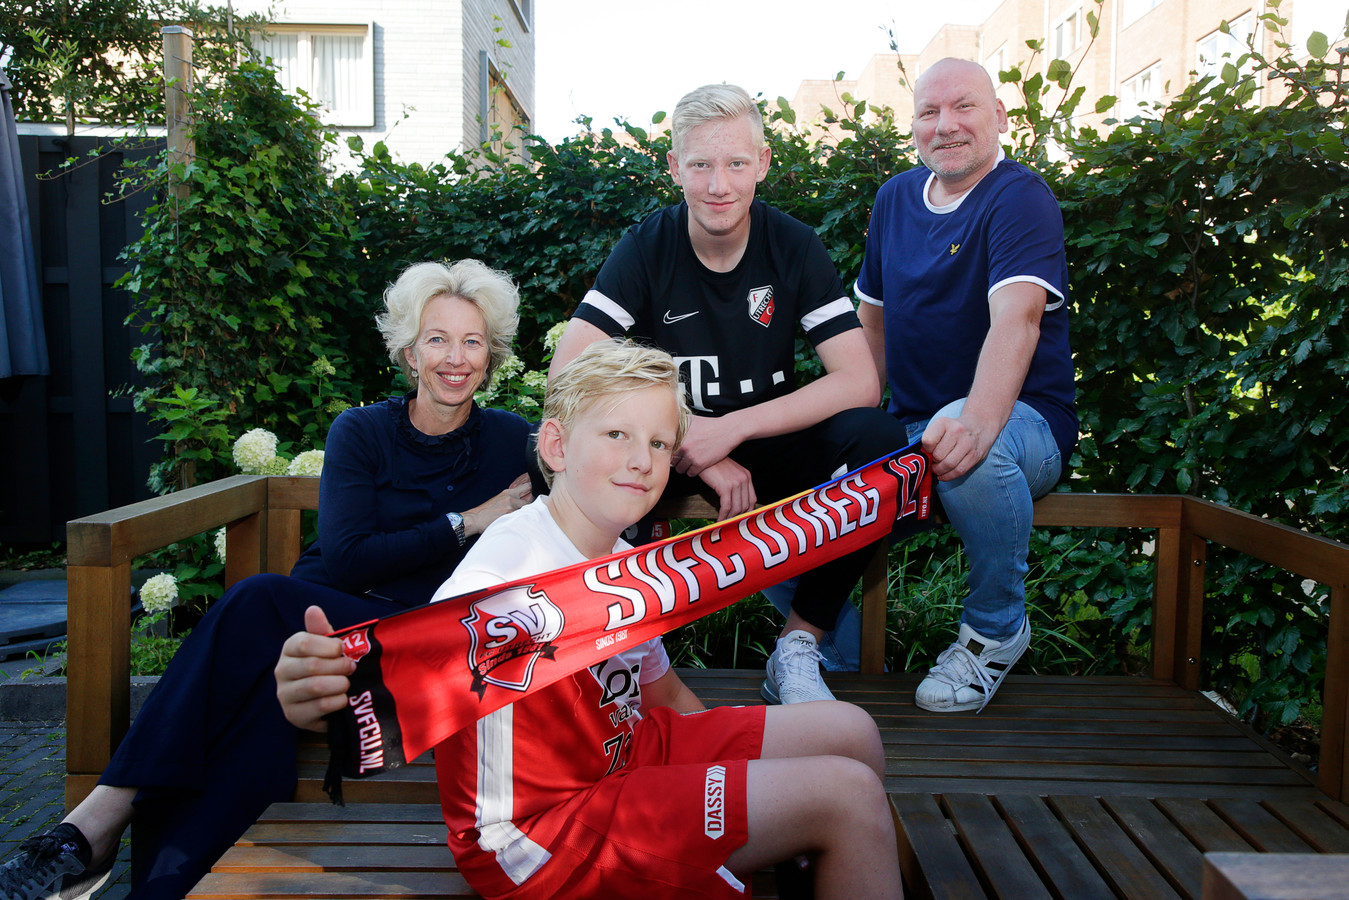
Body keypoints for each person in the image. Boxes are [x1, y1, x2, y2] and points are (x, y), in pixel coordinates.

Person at [276, 339, 904, 900]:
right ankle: (822, 839)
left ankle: (806, 859)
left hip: (626, 754)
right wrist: (316, 694)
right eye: (616, 435)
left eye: (659, 443)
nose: (641, 460)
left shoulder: (630, 563)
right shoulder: (500, 579)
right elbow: (398, 684)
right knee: (845, 798)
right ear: (555, 446)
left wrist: (741, 786)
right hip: (539, 836)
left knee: (849, 733)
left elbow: (662, 693)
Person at [0, 259, 537, 900]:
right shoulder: (361, 430)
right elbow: (346, 560)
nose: (456, 357)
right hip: (323, 623)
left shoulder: (513, 440)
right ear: (408, 351)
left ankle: (91, 829)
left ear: (491, 353)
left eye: (472, 341)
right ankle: (157, 882)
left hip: (410, 646)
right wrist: (472, 519)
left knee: (257, 603)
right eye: (438, 339)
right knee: (256, 708)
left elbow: (591, 480)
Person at [549, 83, 909, 705]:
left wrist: (735, 429)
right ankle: (596, 649)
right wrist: (693, 440)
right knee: (544, 451)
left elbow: (859, 381)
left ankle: (798, 648)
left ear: (763, 162)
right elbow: (565, 374)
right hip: (668, 450)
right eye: (701, 165)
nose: (719, 184)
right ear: (673, 168)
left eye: (736, 163)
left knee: (880, 442)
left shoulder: (791, 244)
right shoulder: (647, 246)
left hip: (764, 447)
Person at [855, 58, 1077, 712]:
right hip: (916, 427)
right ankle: (826, 656)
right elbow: (872, 325)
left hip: (1022, 427)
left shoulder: (1019, 196)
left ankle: (996, 632)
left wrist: (972, 427)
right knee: (804, 490)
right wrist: (850, 431)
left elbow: (1018, 319)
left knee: (963, 438)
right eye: (929, 112)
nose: (945, 125)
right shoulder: (894, 197)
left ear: (1000, 118)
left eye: (963, 107)